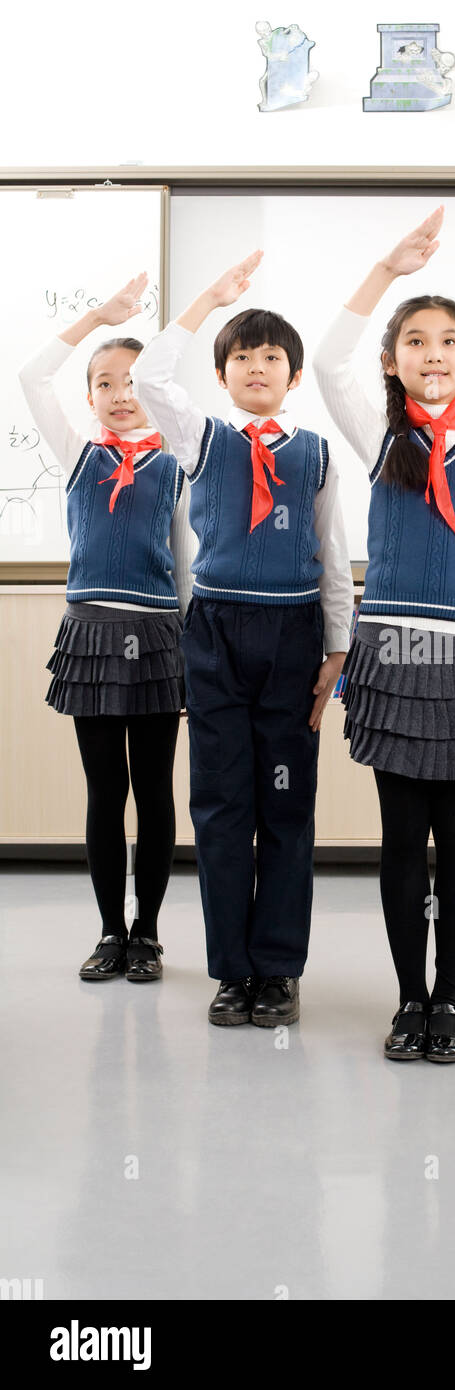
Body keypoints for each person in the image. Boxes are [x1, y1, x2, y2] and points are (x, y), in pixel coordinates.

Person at [313, 206, 455, 1063]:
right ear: (394, 359)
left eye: (448, 341)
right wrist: (386, 272)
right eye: (415, 340)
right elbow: (329, 359)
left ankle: (452, 1002)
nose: (433, 353)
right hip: (394, 658)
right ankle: (409, 999)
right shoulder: (382, 436)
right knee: (402, 841)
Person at [132, 252, 353, 1027]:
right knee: (222, 805)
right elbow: (149, 381)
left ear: (294, 377)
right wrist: (205, 304)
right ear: (222, 374)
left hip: (293, 636)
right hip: (217, 632)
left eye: (272, 358)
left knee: (287, 809)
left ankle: (279, 968)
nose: (257, 367)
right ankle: (233, 970)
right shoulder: (200, 438)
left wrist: (337, 651)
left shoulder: (318, 454)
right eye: (241, 357)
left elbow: (331, 558)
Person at [18, 273, 192, 984]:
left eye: (132, 381)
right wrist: (95, 316)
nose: (122, 395)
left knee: (153, 790)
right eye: (105, 383)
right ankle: (109, 931)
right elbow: (31, 376)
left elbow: (185, 566)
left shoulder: (179, 462)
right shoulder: (79, 455)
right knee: (103, 792)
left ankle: (148, 933)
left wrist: (185, 645)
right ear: (89, 395)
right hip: (90, 636)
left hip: (155, 640)